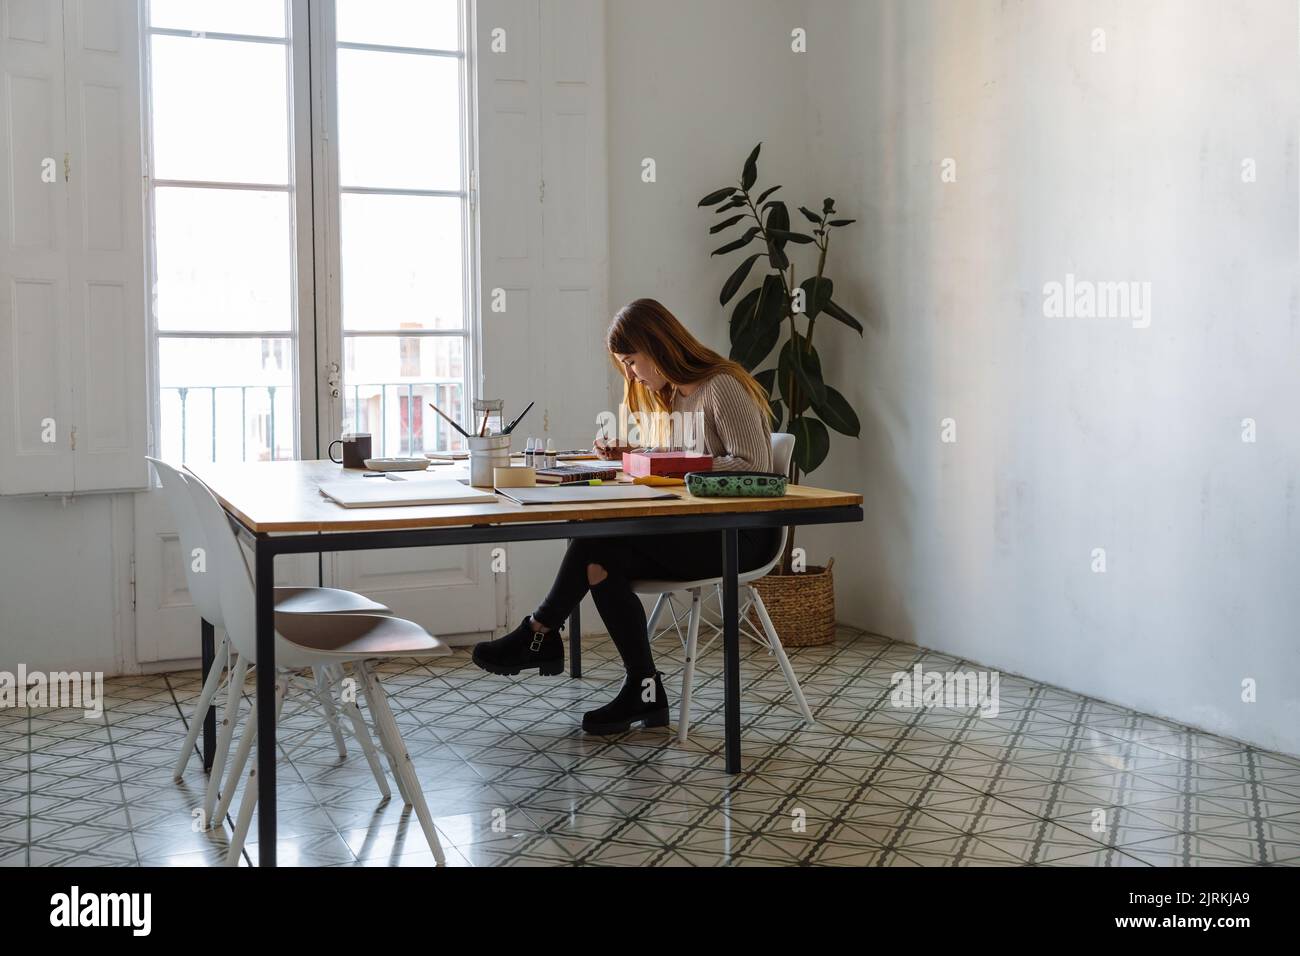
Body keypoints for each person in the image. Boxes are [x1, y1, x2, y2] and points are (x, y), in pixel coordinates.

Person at [471, 298, 782, 734]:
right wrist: (636, 456)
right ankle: (643, 690)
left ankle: (540, 633)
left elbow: (756, 468)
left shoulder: (720, 386)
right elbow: (686, 463)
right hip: (698, 526)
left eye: (632, 361)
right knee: (598, 560)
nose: (633, 374)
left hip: (740, 534)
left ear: (658, 347)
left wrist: (671, 465)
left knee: (599, 543)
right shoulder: (676, 396)